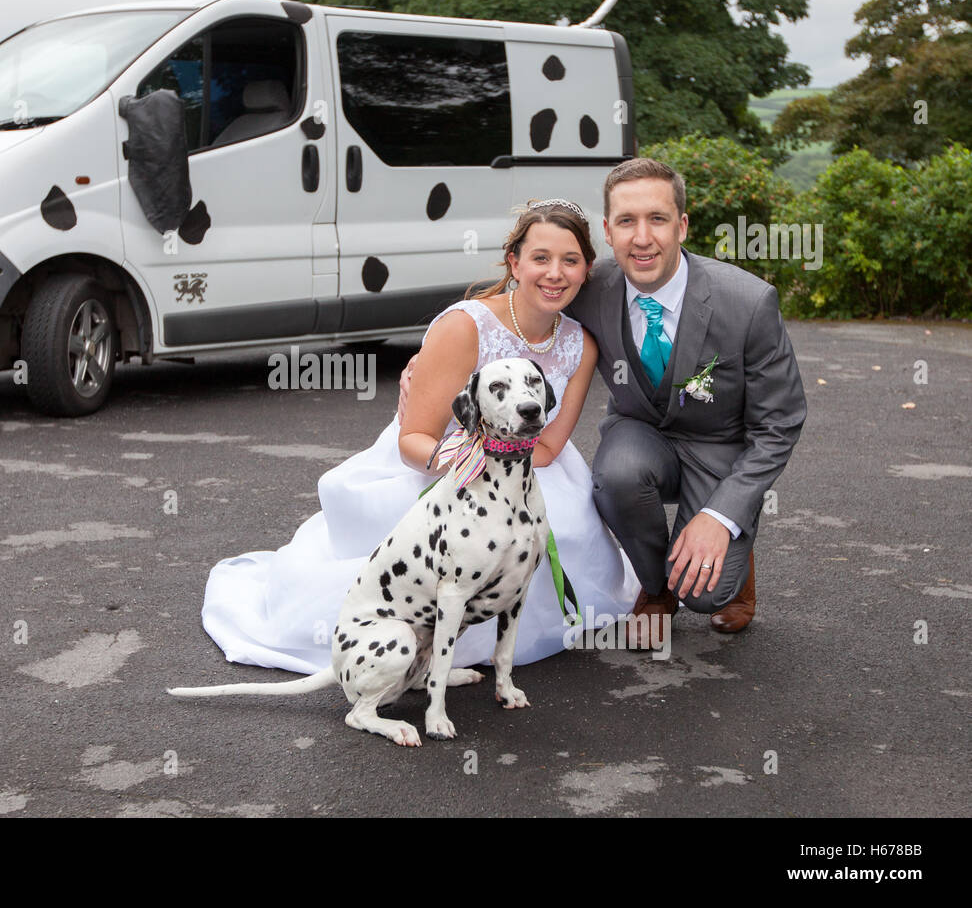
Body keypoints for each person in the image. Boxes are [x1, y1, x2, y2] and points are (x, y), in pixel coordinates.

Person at [199, 200, 640, 675]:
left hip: (531, 463)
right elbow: (415, 438)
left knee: (566, 522)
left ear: (586, 268)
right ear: (514, 262)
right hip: (439, 459)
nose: (555, 273)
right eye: (540, 258)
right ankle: (402, 646)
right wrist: (472, 468)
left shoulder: (579, 342)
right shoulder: (465, 326)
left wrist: (505, 473)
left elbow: (550, 447)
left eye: (570, 261)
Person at [404, 158, 807, 642]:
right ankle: (656, 589)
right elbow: (521, 305)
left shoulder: (748, 302)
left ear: (682, 225)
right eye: (626, 222)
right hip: (639, 437)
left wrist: (720, 518)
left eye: (657, 219)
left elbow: (779, 426)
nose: (642, 237)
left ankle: (729, 543)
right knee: (615, 478)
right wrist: (427, 362)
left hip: (719, 445)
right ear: (608, 231)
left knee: (708, 592)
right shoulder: (585, 285)